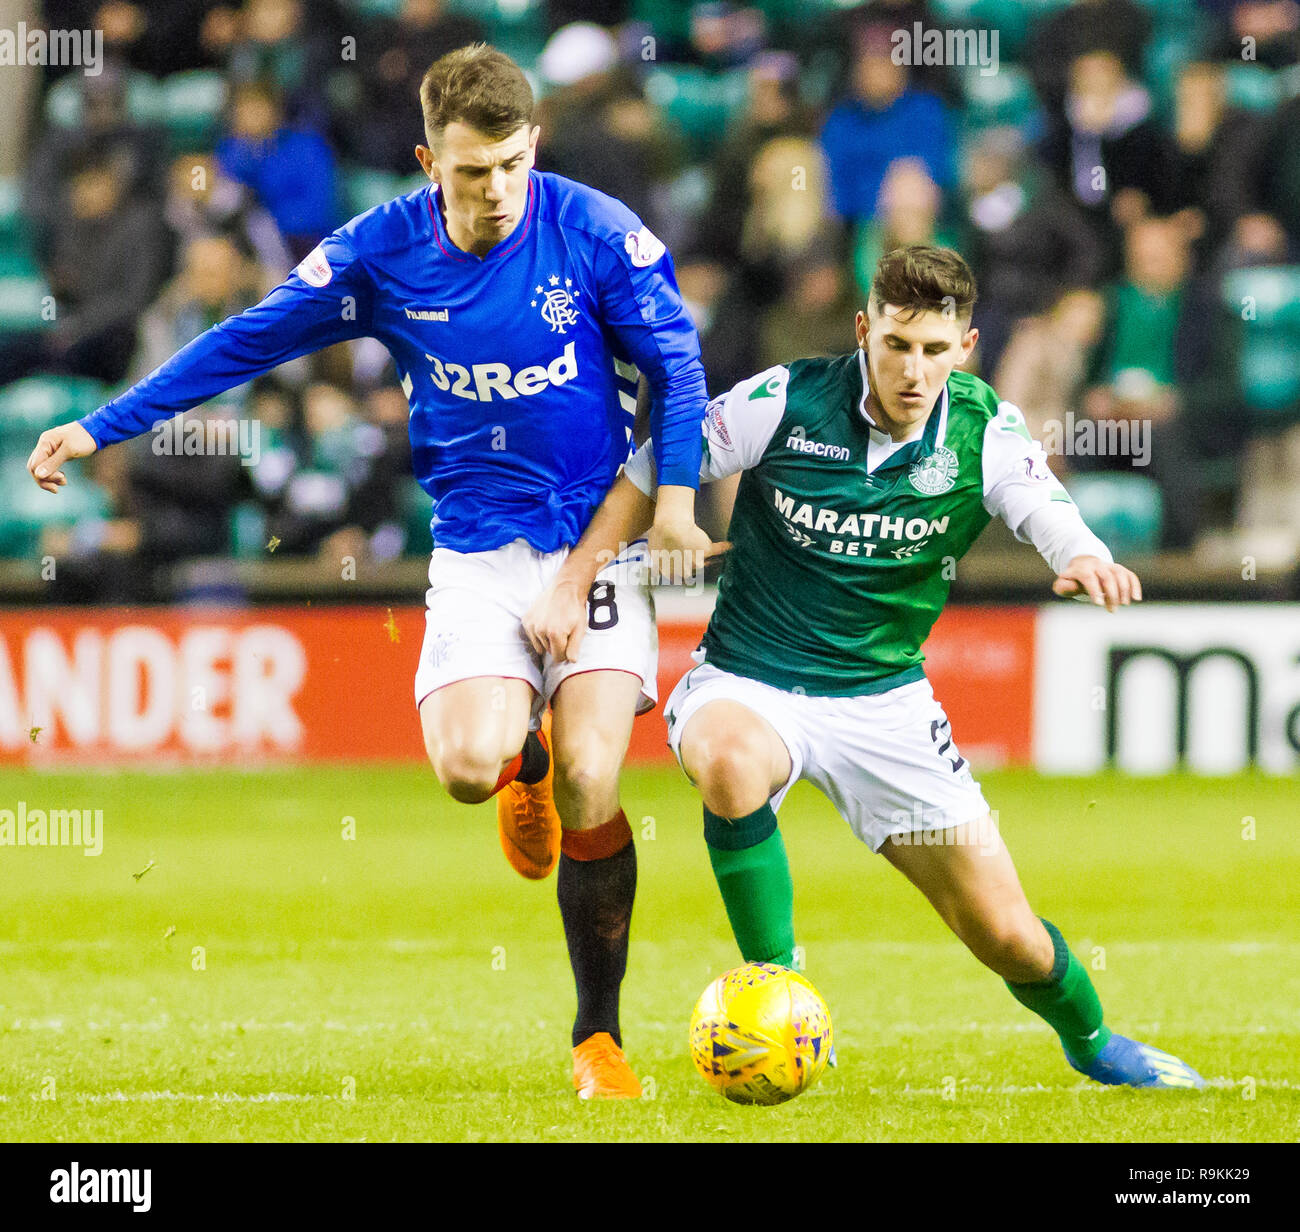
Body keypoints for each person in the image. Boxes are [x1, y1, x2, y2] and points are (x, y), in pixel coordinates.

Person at [27, 43, 713, 1100]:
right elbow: (246, 341)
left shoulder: (596, 231)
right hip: (479, 545)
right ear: (425, 159)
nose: (492, 193)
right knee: (467, 767)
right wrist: (101, 425)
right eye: (469, 171)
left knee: (593, 776)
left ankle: (597, 1038)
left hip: (597, 541)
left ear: (534, 146)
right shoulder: (380, 252)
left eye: (510, 167)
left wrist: (672, 499)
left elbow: (675, 362)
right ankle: (514, 766)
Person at [525, 243, 1205, 1091]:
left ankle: (1098, 1043)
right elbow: (656, 464)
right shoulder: (785, 399)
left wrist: (1086, 556)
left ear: (965, 348)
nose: (912, 369)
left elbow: (1046, 509)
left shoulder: (983, 430)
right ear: (863, 333)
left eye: (932, 350)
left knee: (1007, 934)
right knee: (731, 761)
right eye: (895, 344)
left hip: (885, 702)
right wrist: (582, 571)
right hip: (748, 678)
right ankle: (785, 992)